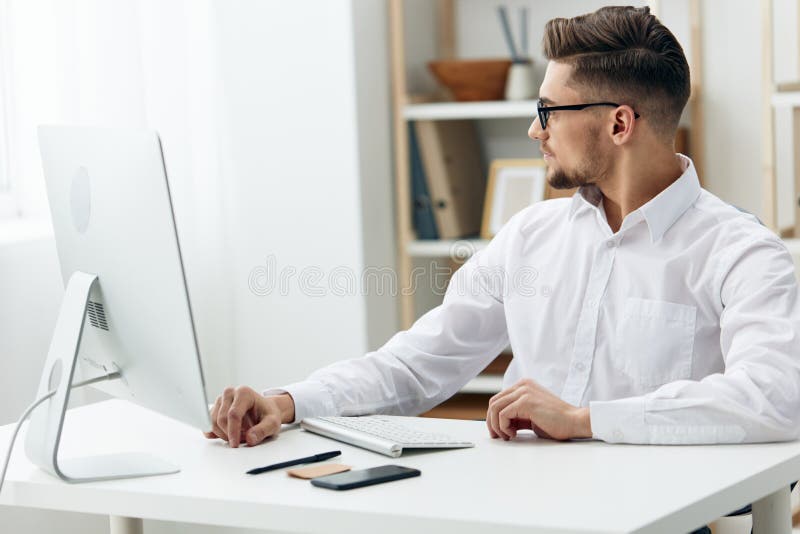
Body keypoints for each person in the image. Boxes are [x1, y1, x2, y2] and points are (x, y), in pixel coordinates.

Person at [204, 6, 800, 452]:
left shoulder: (742, 254)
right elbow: (418, 362)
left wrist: (588, 419)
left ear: (620, 123)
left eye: (548, 111)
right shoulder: (530, 238)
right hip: (512, 509)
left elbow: (777, 396)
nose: (535, 131)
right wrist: (287, 402)